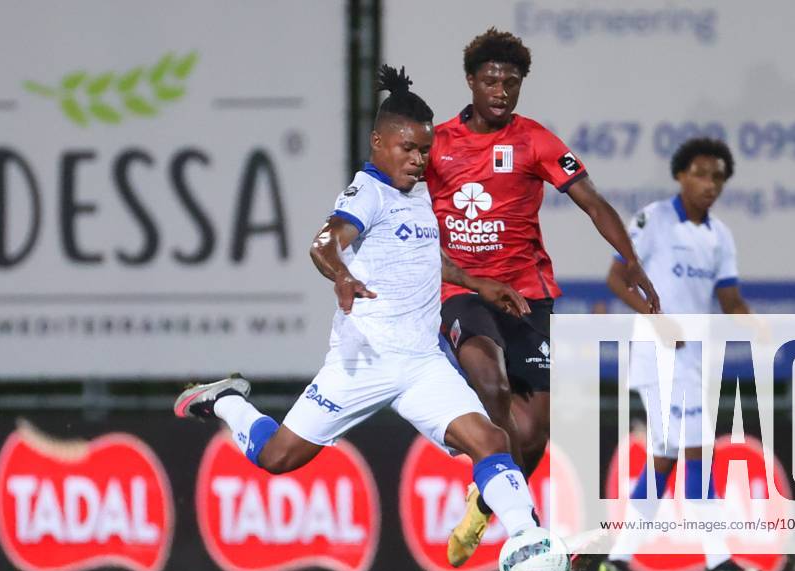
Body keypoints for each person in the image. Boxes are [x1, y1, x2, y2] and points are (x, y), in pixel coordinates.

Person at [173, 66, 540, 544]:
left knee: (491, 441)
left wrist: (476, 283)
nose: (417, 159)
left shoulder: (420, 193)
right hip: (362, 361)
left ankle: (530, 541)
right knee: (278, 458)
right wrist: (342, 275)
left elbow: (424, 257)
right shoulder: (366, 194)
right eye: (407, 148)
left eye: (424, 150)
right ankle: (225, 401)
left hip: (421, 364)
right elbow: (324, 243)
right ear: (377, 143)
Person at [426, 27, 660, 567]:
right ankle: (528, 528)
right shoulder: (437, 144)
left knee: (531, 437)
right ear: (471, 81)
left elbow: (593, 202)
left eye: (511, 82)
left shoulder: (535, 140)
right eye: (491, 81)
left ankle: (482, 503)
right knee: (493, 385)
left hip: (528, 295)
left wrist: (631, 258)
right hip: (460, 290)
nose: (501, 91)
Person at [600, 137, 761, 571]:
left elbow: (729, 299)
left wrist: (760, 328)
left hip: (694, 360)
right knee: (697, 449)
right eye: (701, 173)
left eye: (718, 177)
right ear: (680, 175)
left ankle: (617, 558)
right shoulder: (653, 220)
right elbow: (616, 278)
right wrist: (658, 318)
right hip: (658, 355)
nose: (710, 184)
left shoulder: (720, 235)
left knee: (665, 458)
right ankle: (717, 559)